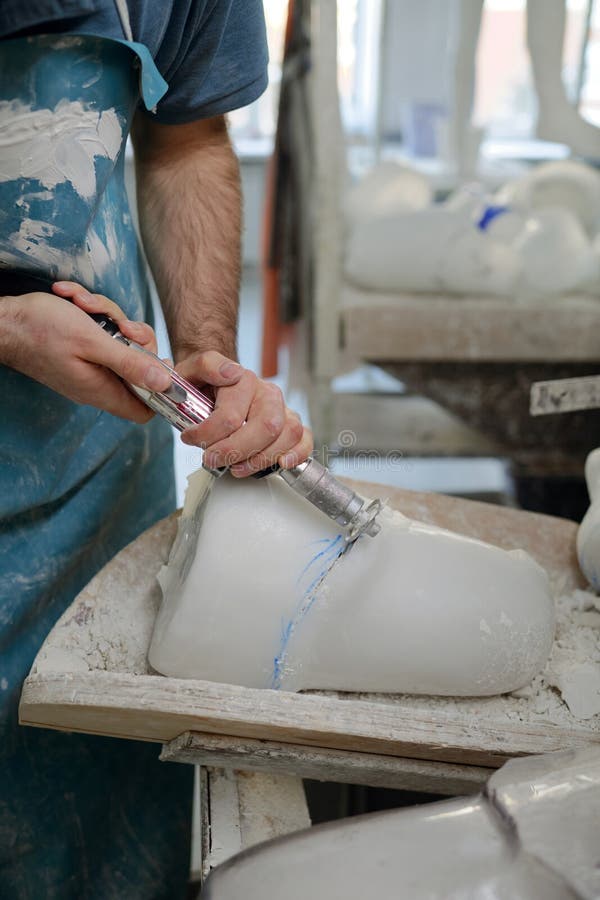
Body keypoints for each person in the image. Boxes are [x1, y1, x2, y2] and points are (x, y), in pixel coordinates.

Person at [0, 1, 312, 896]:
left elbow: (188, 140)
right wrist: (8, 324)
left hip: (90, 475)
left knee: (91, 825)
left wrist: (201, 356)